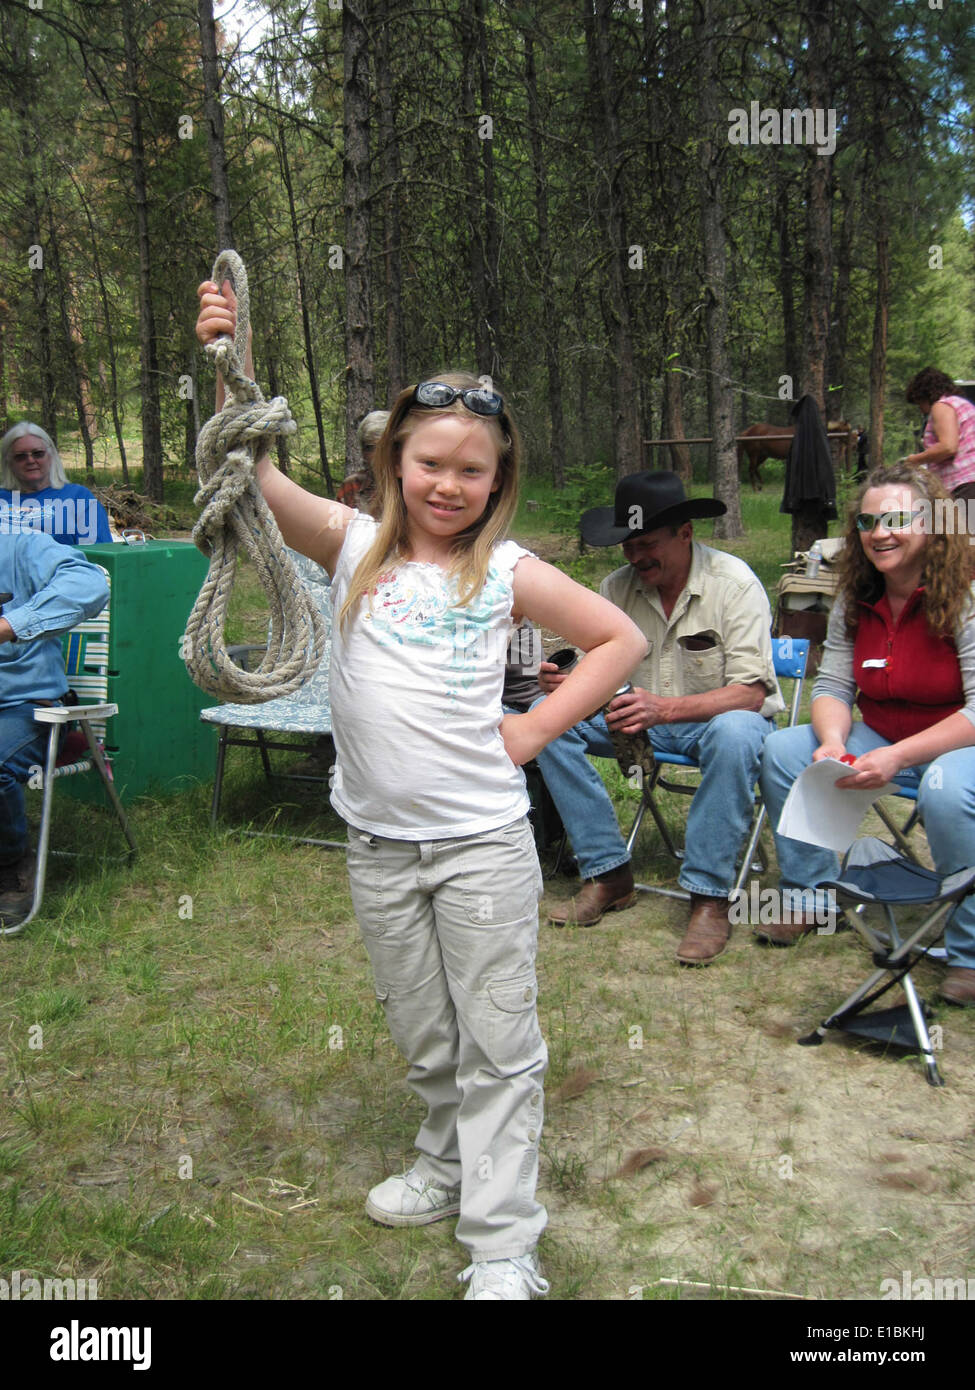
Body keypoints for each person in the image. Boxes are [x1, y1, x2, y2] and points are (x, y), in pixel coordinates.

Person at [196, 281, 647, 1300]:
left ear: (498, 480)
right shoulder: (352, 546)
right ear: (394, 462)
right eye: (430, 462)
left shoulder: (505, 571)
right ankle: (444, 1164)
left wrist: (532, 727)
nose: (448, 485)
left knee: (497, 1038)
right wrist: (228, 351)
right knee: (424, 1029)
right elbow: (246, 464)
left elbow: (620, 639)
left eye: (470, 471)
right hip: (378, 844)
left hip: (482, 844)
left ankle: (502, 1243)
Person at [534, 471, 784, 966]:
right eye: (627, 547)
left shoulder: (733, 584)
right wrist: (566, 686)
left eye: (646, 544)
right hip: (637, 718)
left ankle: (710, 898)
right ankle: (607, 872)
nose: (634, 557)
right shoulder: (615, 587)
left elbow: (752, 693)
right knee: (546, 717)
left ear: (685, 533)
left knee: (736, 735)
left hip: (721, 719)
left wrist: (665, 708)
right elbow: (597, 671)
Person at [759, 466, 975, 1004]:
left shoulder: (967, 593)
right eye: (869, 521)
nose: (881, 533)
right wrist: (832, 741)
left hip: (959, 742)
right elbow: (832, 683)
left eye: (898, 519)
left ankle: (968, 949)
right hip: (881, 734)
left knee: (946, 787)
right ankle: (811, 899)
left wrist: (897, 757)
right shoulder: (856, 596)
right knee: (787, 749)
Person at [0, 530, 110, 927]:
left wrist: (10, 625)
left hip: (28, 707)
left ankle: (11, 864)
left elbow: (90, 584)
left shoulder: (20, 549)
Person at [0, 424, 113, 547]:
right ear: (8, 462)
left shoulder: (79, 497)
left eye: (38, 453)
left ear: (51, 455)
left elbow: (100, 554)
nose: (30, 460)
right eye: (20, 456)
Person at [904, 368, 975, 506]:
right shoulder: (962, 404)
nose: (920, 409)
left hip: (964, 486)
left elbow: (948, 447)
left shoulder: (941, 406)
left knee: (961, 528)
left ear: (925, 394)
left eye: (919, 403)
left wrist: (913, 460)